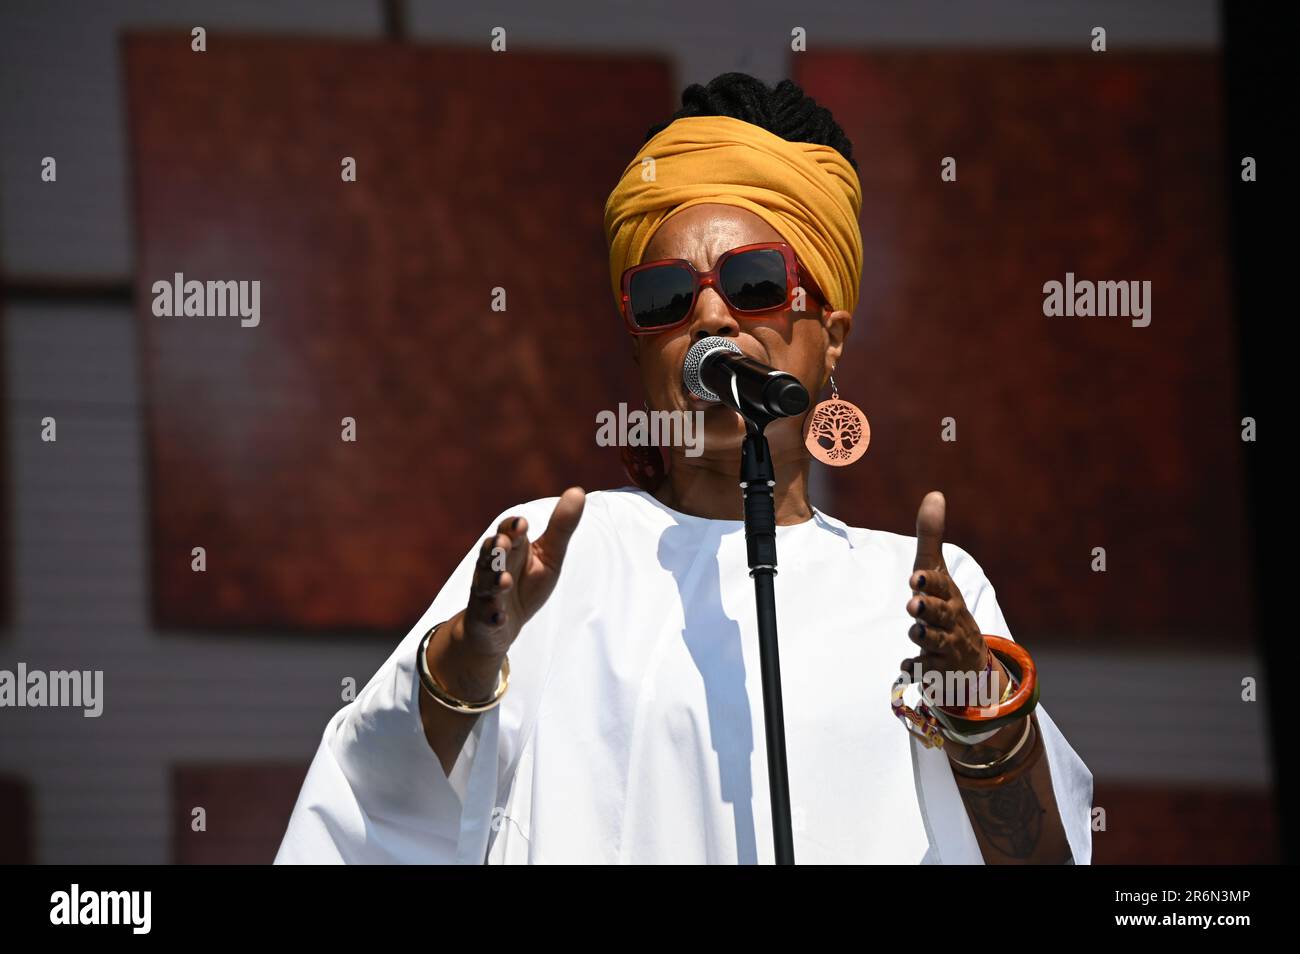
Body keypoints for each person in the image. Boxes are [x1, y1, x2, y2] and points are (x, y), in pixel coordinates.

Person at [275, 73, 1092, 864]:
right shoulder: (559, 558)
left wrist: (979, 708)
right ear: (640, 349)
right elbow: (366, 810)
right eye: (666, 297)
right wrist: (471, 654)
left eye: (755, 282)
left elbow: (1043, 859)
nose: (709, 315)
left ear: (832, 337)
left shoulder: (913, 591)